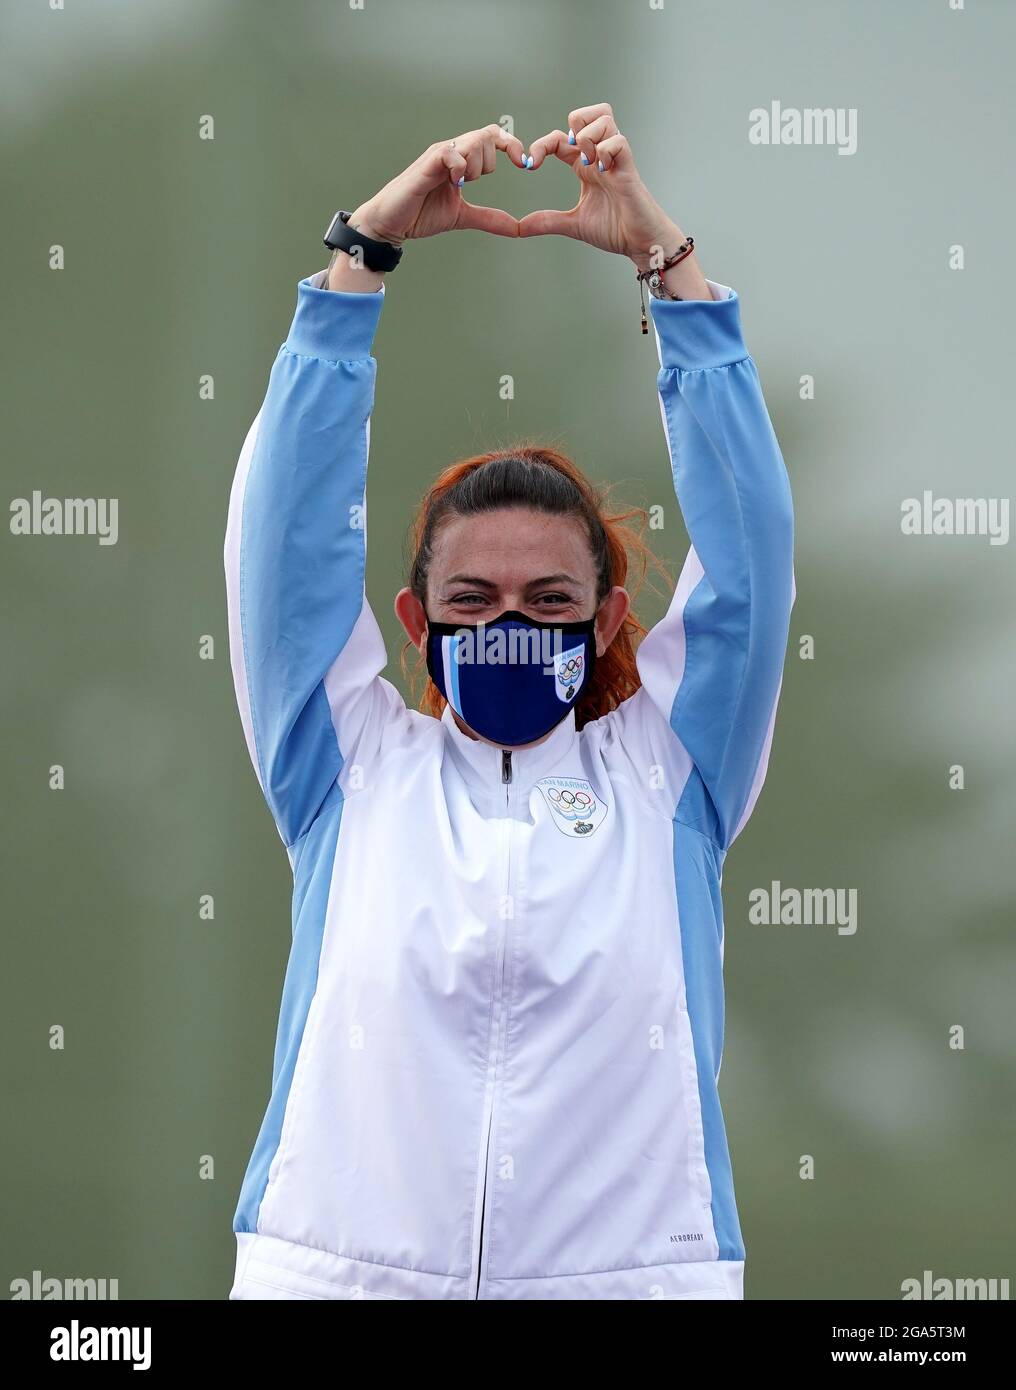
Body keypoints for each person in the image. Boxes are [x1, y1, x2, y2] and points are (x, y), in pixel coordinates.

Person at [224, 104, 795, 1301]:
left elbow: (749, 560)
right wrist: (357, 264)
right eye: (471, 599)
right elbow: (282, 547)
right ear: (415, 624)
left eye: (547, 598)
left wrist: (667, 265)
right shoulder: (346, 767)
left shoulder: (671, 776)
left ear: (600, 622)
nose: (507, 624)